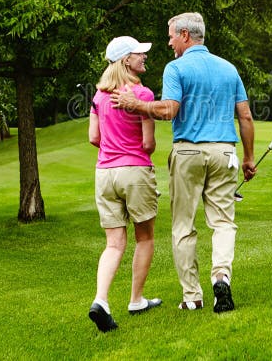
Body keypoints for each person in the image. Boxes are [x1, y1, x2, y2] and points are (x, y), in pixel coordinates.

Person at [111, 12, 256, 313]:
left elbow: (169, 110)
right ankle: (222, 279)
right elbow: (245, 116)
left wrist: (136, 104)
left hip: (188, 152)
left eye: (171, 36)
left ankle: (193, 296)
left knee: (183, 225)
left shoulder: (176, 68)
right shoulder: (229, 69)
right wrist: (249, 158)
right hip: (225, 153)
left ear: (186, 36)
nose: (169, 42)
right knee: (224, 222)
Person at [87, 36, 162, 332]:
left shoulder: (99, 96)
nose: (144, 56)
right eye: (138, 53)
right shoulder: (142, 94)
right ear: (125, 61)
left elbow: (94, 137)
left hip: (104, 173)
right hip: (135, 171)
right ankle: (136, 299)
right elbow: (148, 143)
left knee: (114, 244)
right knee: (144, 237)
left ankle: (101, 300)